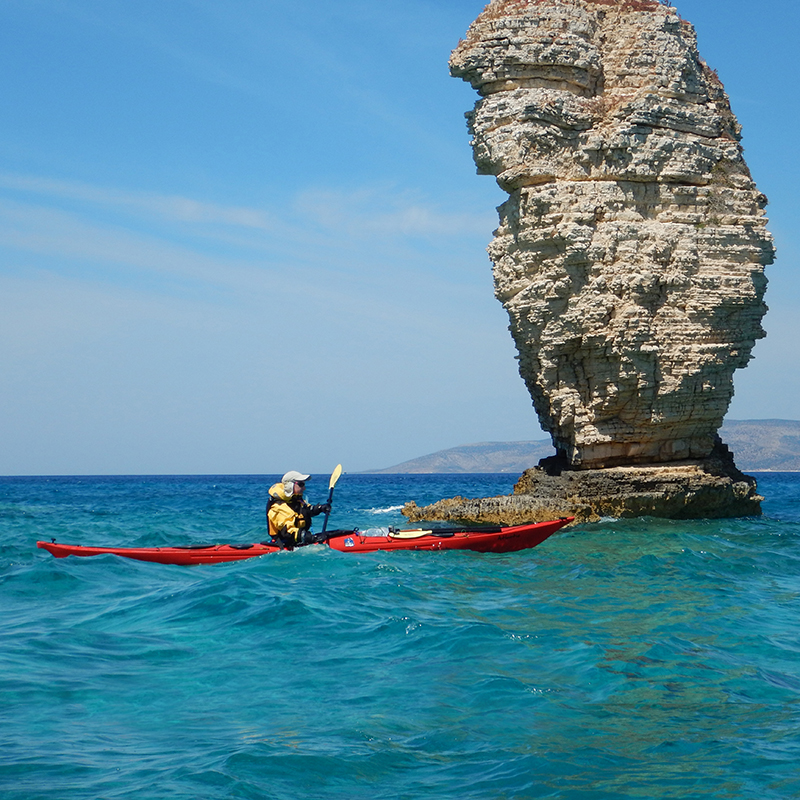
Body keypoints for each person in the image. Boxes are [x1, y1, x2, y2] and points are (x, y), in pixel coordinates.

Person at [266, 471, 331, 550]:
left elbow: (307, 510)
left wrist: (321, 508)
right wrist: (311, 538)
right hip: (285, 544)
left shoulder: (296, 500)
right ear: (290, 486)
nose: (304, 488)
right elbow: (288, 532)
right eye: (301, 485)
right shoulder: (277, 507)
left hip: (299, 541)